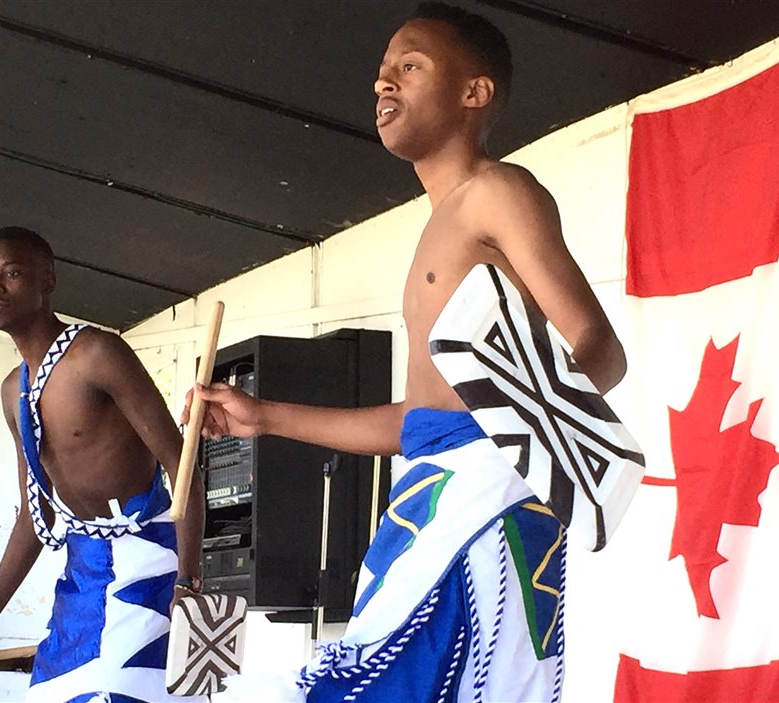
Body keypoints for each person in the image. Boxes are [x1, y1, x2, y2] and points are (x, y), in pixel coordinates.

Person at [192, 4, 626, 701]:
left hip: (481, 505)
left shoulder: (497, 192)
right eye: (381, 75)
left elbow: (596, 347)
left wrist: (504, 459)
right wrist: (263, 416)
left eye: (410, 66)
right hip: (430, 498)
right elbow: (420, 422)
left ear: (473, 92)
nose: (384, 85)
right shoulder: (439, 224)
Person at [0, 226, 206, 703]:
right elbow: (34, 515)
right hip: (82, 573)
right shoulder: (14, 391)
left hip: (148, 563)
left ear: (47, 281)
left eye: (10, 273)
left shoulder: (97, 354)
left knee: (125, 694)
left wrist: (187, 582)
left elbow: (184, 466)